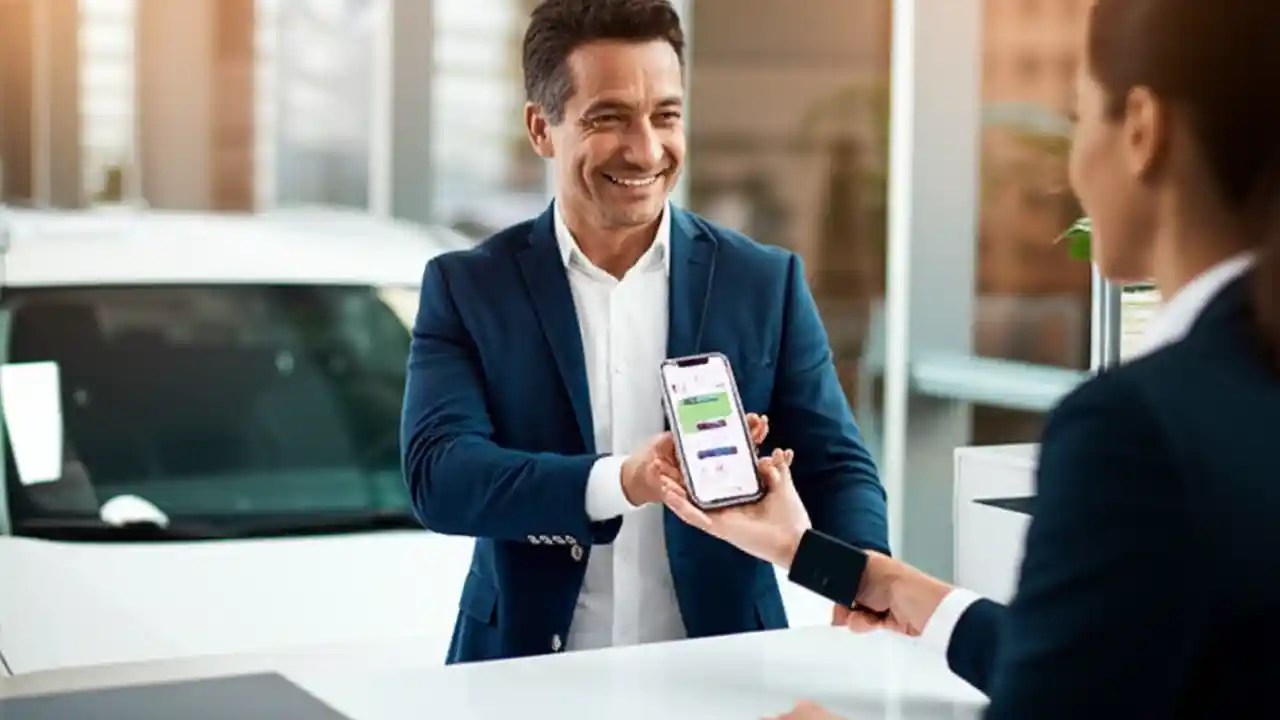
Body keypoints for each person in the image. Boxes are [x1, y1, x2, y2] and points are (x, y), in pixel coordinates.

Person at [663, 1, 1280, 717]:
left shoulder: (1133, 429)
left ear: (1143, 130)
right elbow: (1098, 655)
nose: (1071, 169)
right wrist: (844, 567)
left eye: (1081, 119)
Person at [400, 0, 889, 664]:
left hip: (726, 677)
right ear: (541, 129)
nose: (646, 149)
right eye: (608, 118)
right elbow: (442, 477)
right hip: (521, 677)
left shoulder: (761, 282)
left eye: (666, 115)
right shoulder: (469, 288)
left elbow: (837, 469)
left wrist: (857, 581)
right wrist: (622, 480)